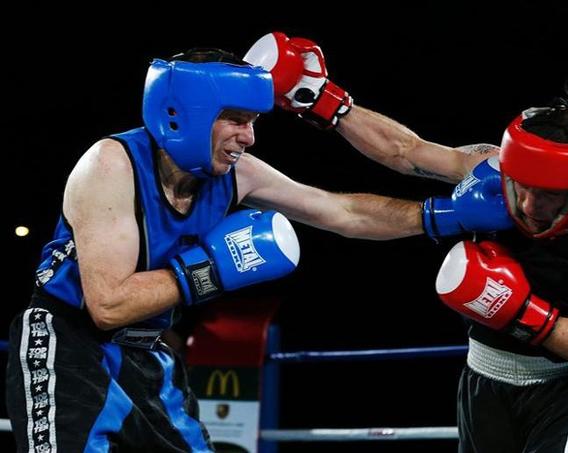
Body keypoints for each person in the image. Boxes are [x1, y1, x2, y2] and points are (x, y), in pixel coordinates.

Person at [5, 47, 507, 452]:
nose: (248, 137)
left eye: (252, 121)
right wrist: (211, 268)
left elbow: (341, 212)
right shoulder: (111, 164)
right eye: (236, 120)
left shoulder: (236, 174)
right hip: (69, 345)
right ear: (184, 114)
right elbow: (108, 305)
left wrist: (446, 215)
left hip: (147, 352)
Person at [247, 33, 568, 452]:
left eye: (550, 194)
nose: (529, 205)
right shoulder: (489, 169)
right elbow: (406, 151)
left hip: (565, 388)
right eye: (521, 184)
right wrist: (322, 98)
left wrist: (518, 311)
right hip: (482, 380)